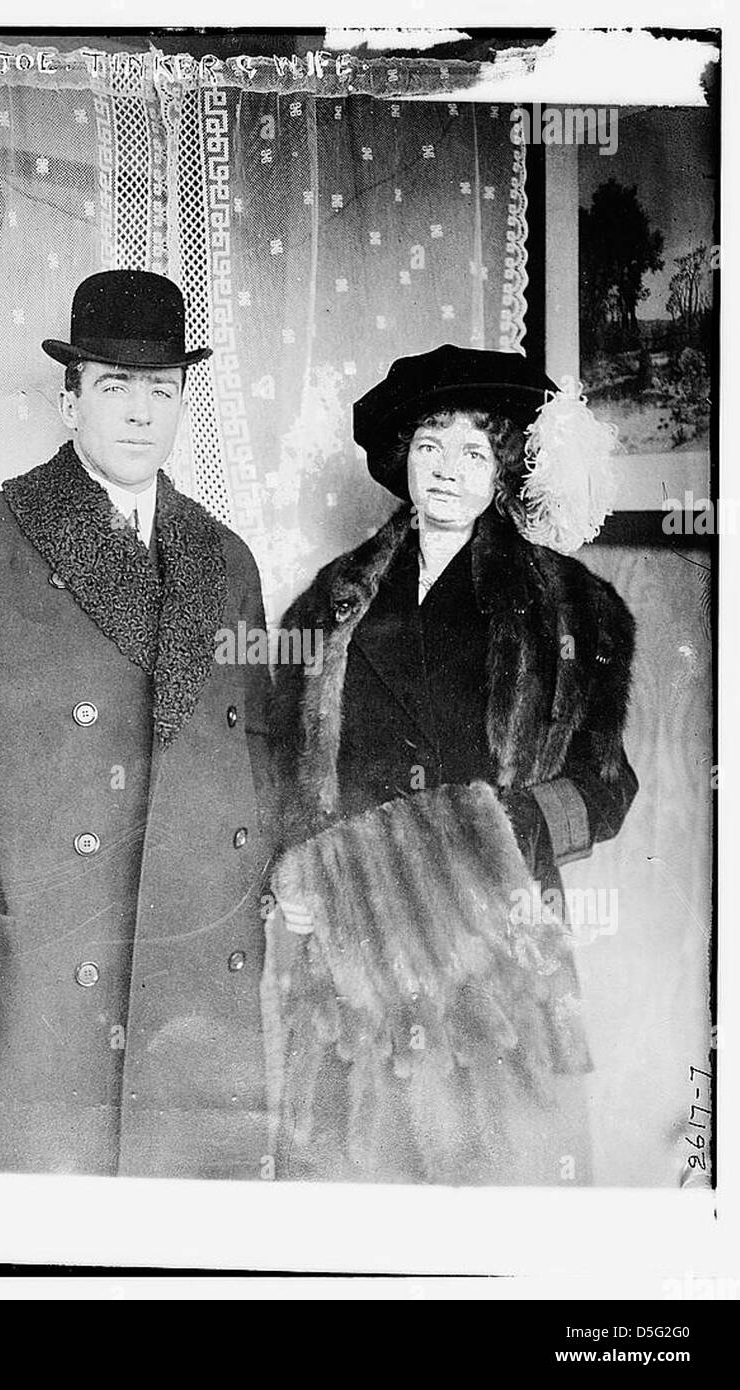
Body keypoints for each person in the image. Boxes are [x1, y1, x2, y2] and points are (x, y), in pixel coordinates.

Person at [0, 270, 275, 1179]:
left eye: (160, 390)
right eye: (113, 386)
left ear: (180, 405)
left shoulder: (225, 558)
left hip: (186, 976)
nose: (138, 412)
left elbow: (259, 761)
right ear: (69, 399)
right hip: (32, 971)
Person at [265, 345, 638, 1185]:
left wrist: (495, 832)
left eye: (475, 450)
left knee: (497, 1193)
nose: (447, 469)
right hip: (356, 942)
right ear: (402, 457)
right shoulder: (334, 600)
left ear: (502, 468)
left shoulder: (570, 607)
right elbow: (280, 754)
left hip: (494, 948)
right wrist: (292, 866)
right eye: (430, 444)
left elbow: (607, 785)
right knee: (355, 1197)